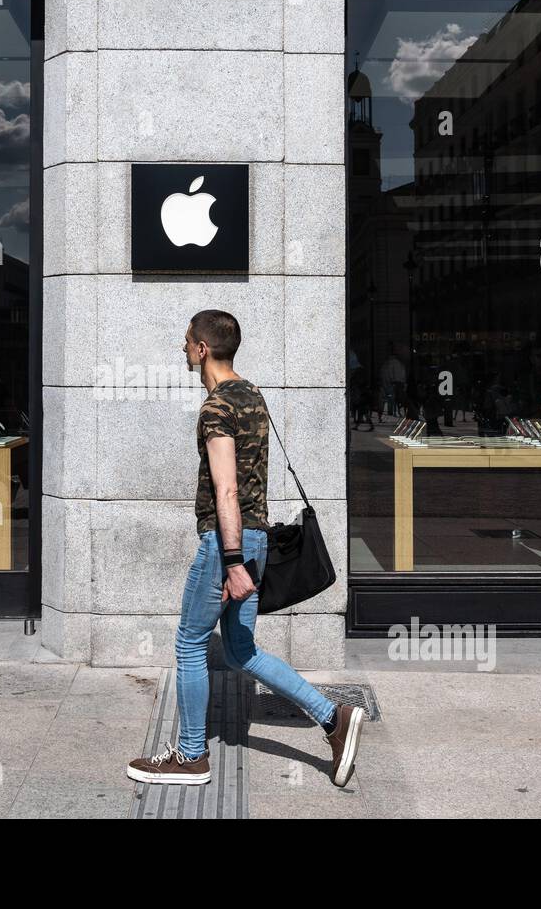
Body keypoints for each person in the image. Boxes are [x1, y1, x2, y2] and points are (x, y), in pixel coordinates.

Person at [125, 309, 366, 788]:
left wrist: (232, 563)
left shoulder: (216, 408)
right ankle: (332, 717)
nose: (182, 349)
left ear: (201, 349)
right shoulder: (252, 393)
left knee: (190, 643)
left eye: (186, 340)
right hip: (256, 537)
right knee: (241, 650)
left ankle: (191, 757)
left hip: (227, 543)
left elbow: (227, 491)